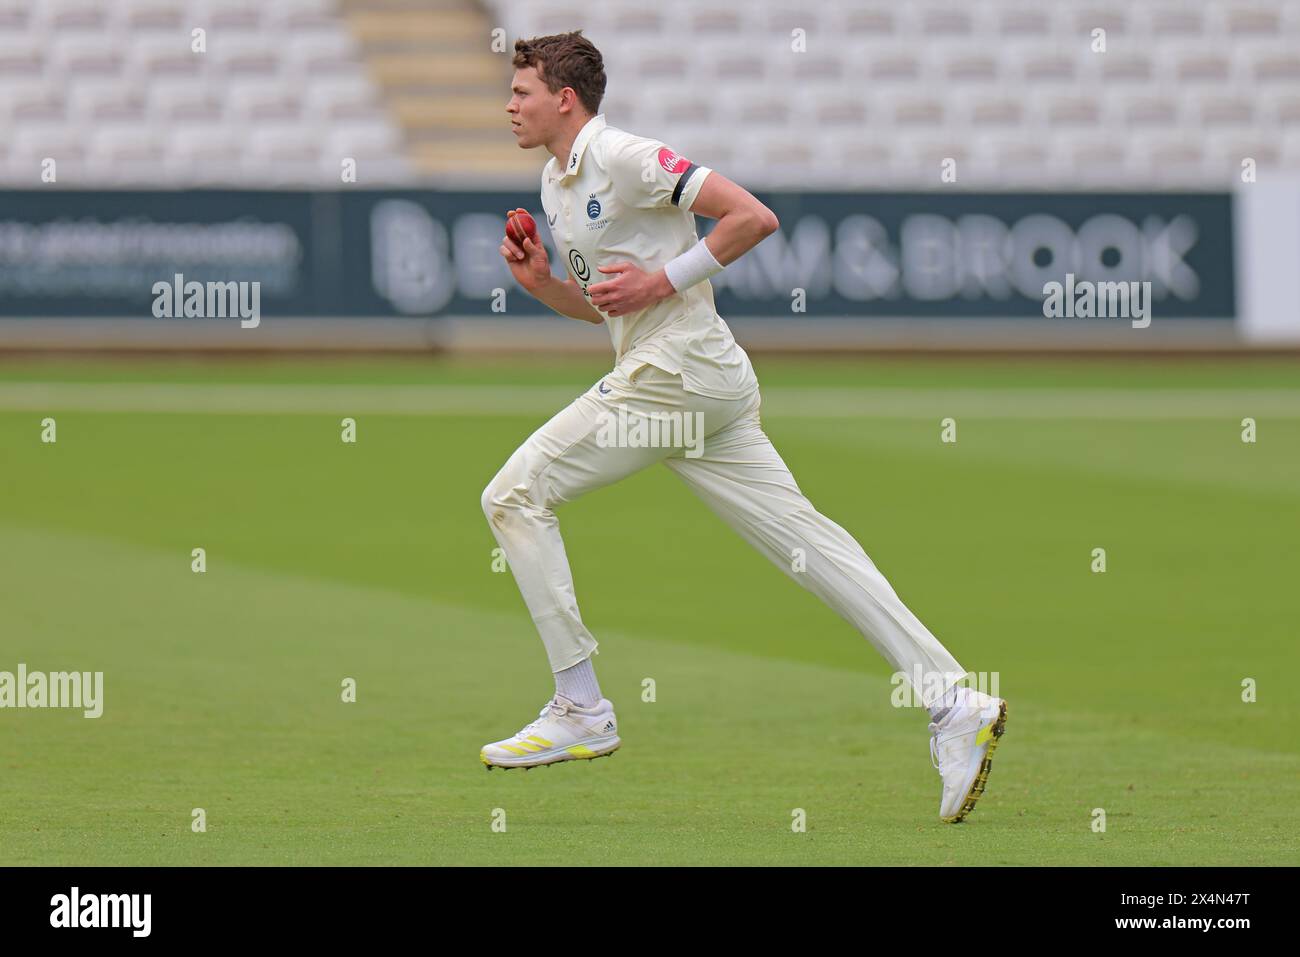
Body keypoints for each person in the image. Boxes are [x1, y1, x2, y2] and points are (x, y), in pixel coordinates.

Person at [482, 30, 1006, 822]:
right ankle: (955, 701)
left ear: (565, 98)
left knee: (514, 494)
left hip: (677, 377)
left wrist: (665, 277)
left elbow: (752, 217)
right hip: (702, 387)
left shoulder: (624, 154)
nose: (509, 105)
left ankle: (581, 707)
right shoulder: (559, 184)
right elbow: (607, 312)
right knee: (813, 547)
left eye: (521, 92)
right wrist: (542, 285)